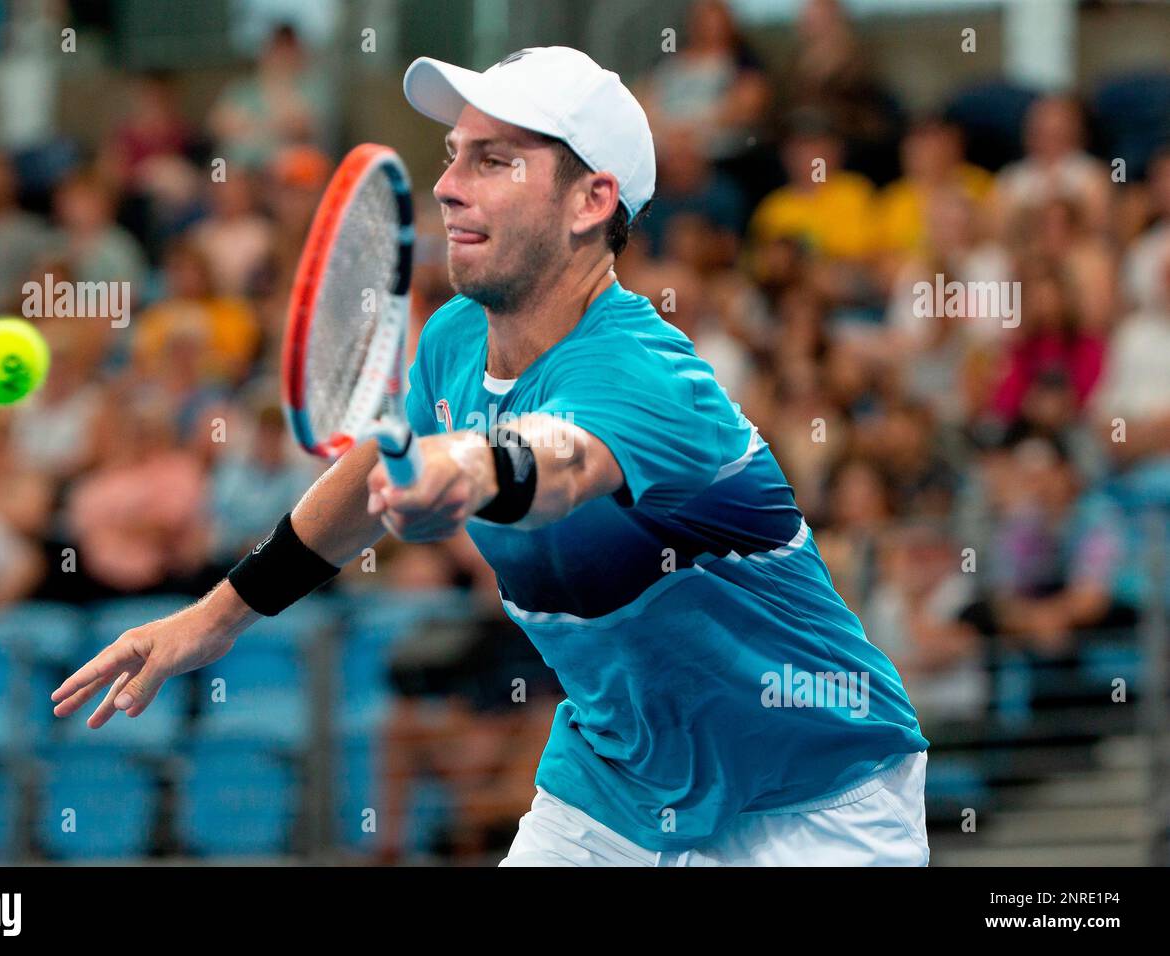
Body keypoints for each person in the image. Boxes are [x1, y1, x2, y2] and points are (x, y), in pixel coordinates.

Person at [52, 46, 929, 867]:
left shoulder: (645, 376)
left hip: (818, 797)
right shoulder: (454, 338)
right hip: (616, 782)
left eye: (493, 161)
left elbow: (564, 460)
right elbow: (365, 478)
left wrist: (470, 470)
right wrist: (211, 620)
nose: (445, 187)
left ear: (591, 202)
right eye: (451, 154)